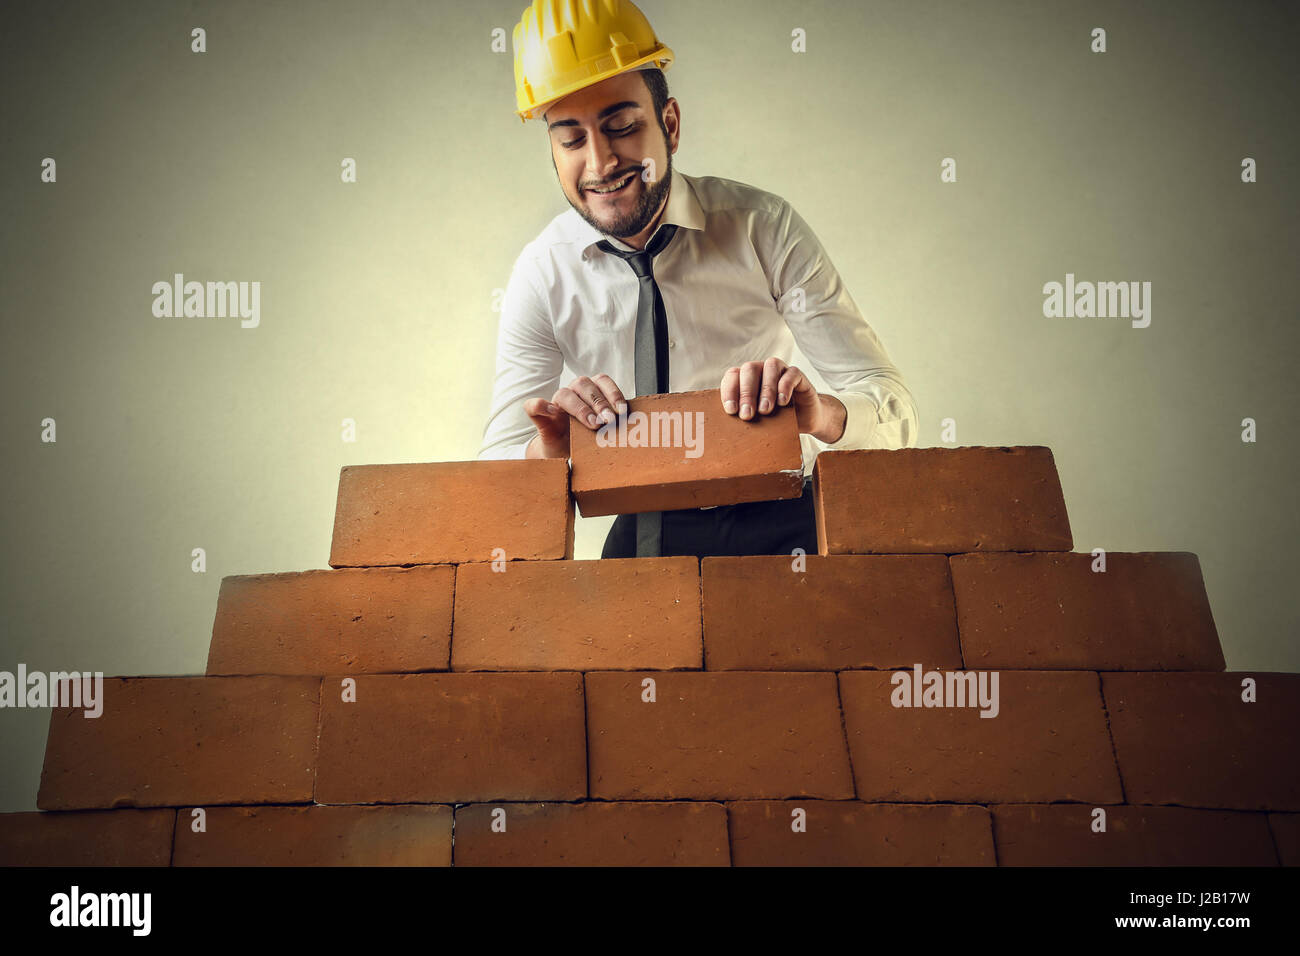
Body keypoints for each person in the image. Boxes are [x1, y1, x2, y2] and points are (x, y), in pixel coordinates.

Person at [480, 0, 919, 559]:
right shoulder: (544, 272)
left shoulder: (763, 228)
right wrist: (550, 452)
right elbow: (494, 476)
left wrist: (818, 415)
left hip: (786, 523)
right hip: (644, 534)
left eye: (621, 126)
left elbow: (893, 410)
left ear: (670, 124)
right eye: (571, 139)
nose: (600, 163)